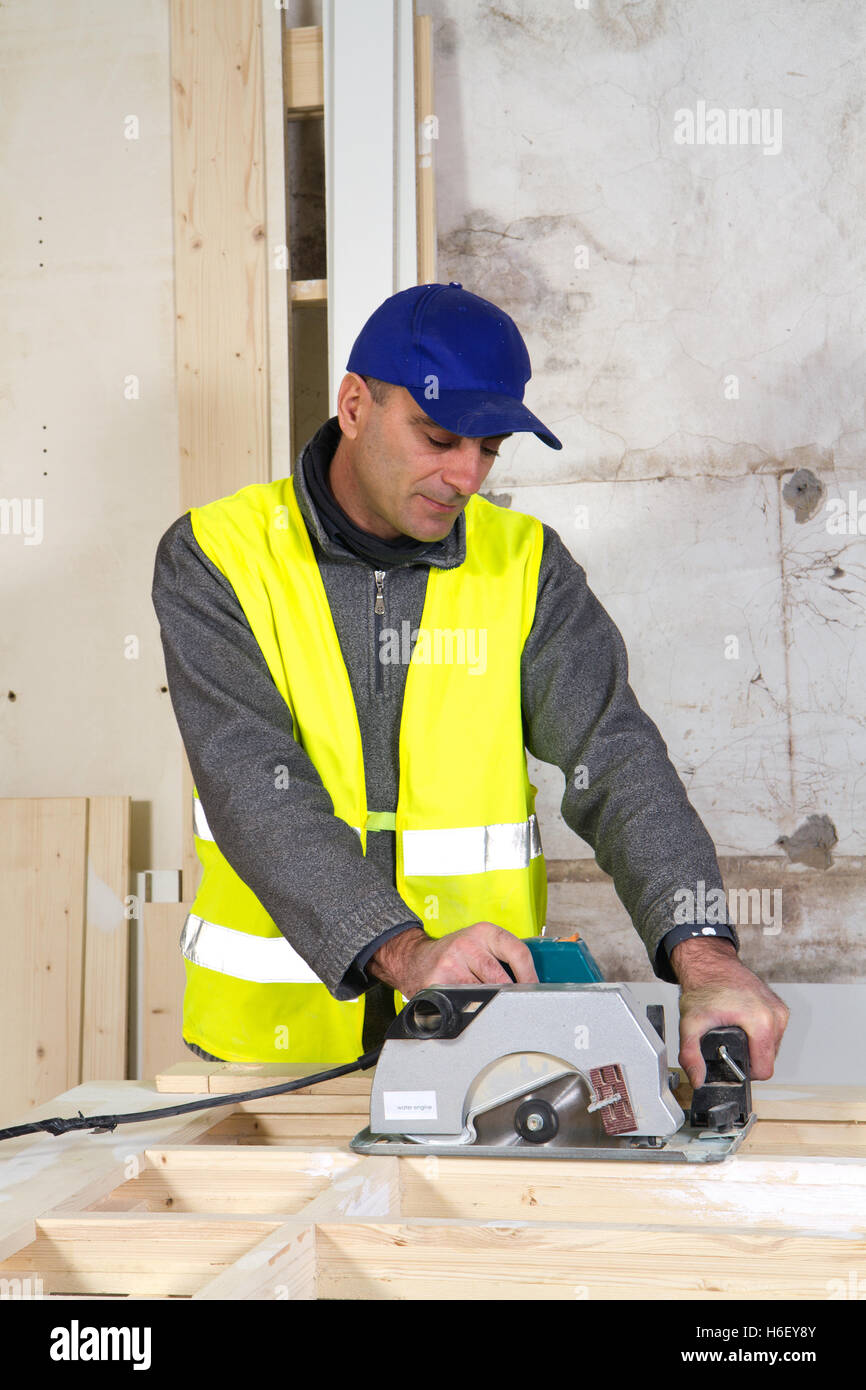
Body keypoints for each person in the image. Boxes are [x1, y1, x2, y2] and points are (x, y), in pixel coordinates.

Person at [151, 281, 789, 1087]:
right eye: (439, 437)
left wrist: (704, 953)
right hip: (273, 1055)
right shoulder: (217, 556)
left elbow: (617, 758)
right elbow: (253, 785)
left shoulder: (525, 565)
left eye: (487, 448)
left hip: (482, 1046)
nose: (466, 476)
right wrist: (404, 950)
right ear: (354, 405)